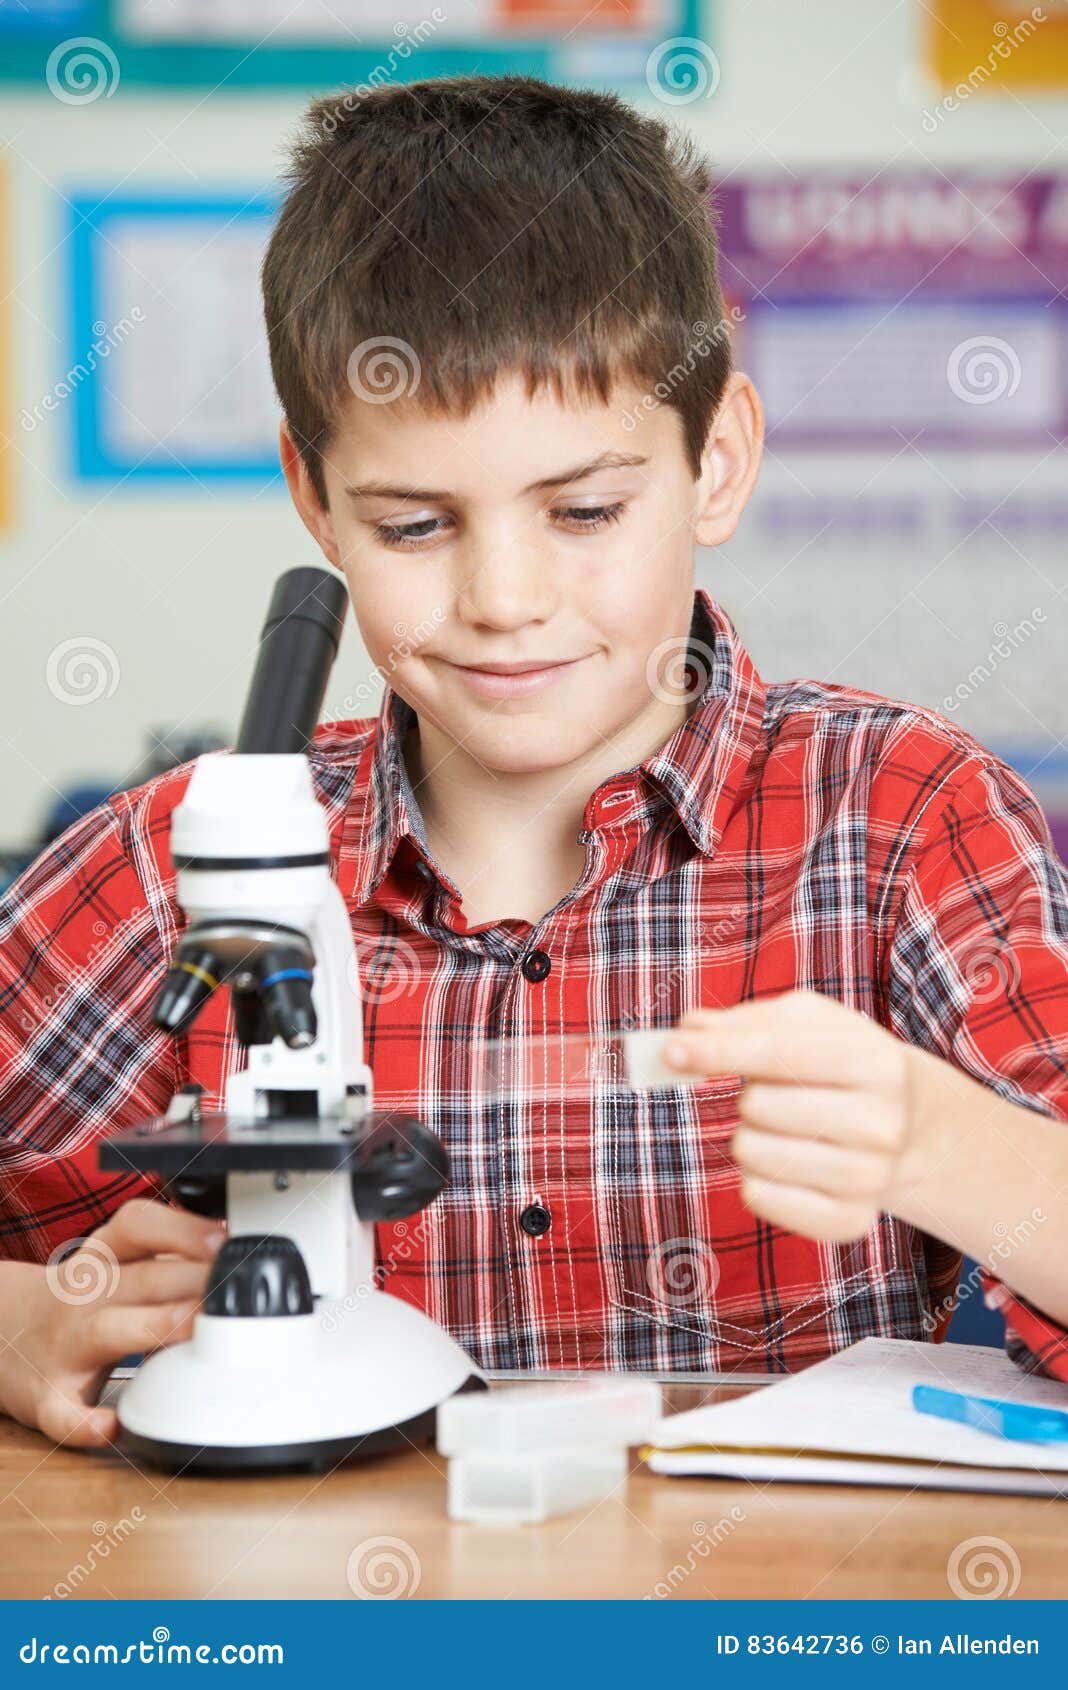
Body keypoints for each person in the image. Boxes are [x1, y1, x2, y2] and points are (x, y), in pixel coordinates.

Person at [2, 74, 1067, 1452]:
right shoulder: (175, 866)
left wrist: (941, 1144)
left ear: (718, 462)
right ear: (312, 496)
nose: (507, 597)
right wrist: (24, 1318)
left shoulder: (903, 819)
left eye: (584, 508)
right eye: (415, 525)